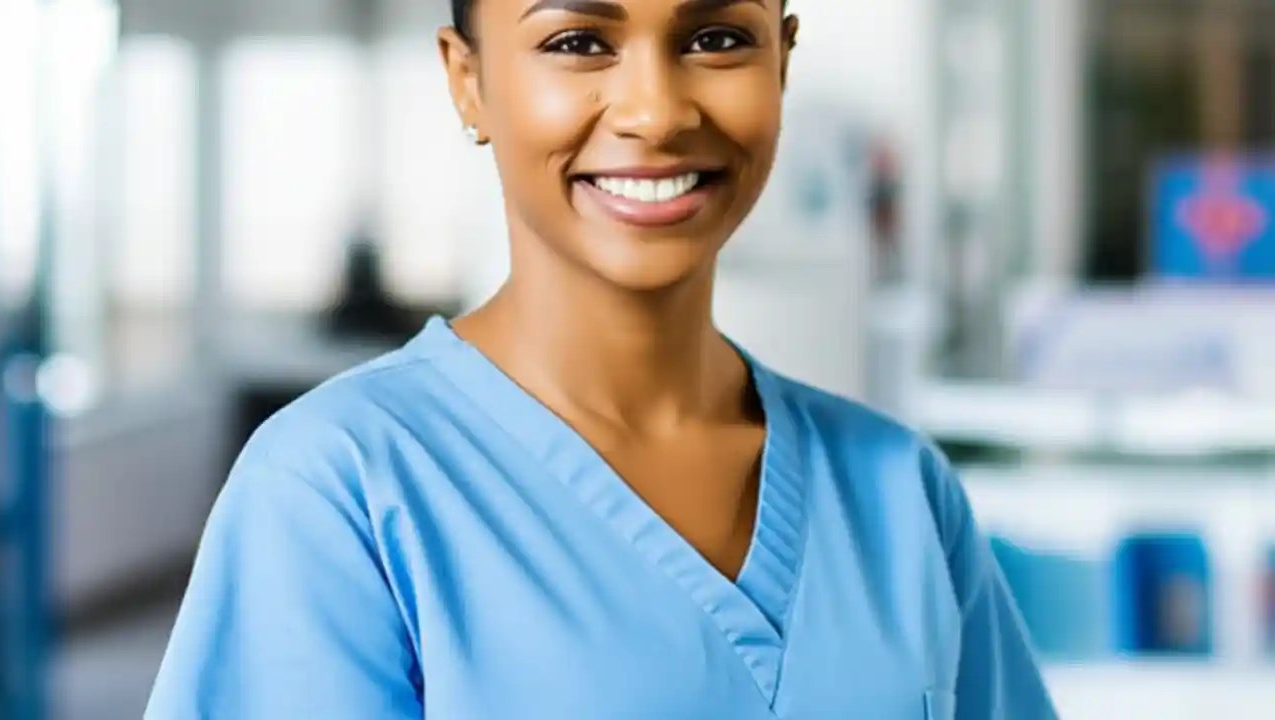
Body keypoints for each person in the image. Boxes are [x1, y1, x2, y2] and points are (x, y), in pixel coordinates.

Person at [146, 0, 1056, 717]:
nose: (656, 113)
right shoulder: (337, 491)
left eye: (715, 36)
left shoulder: (899, 492)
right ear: (468, 82)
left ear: (782, 58)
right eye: (579, 42)